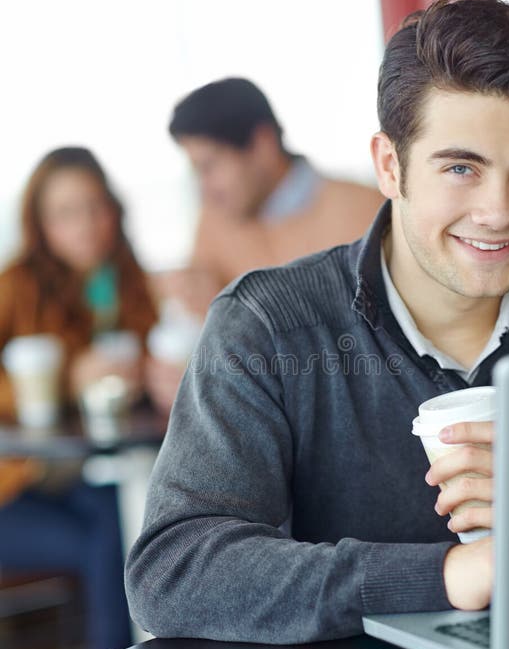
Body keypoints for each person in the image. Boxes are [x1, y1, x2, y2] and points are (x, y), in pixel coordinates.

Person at [125, 0, 509, 644]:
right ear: (389, 165)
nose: (498, 212)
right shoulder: (266, 327)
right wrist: (450, 575)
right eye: (461, 168)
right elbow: (174, 575)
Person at [0, 146, 157, 649]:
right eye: (66, 213)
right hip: (14, 490)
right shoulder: (15, 287)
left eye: (96, 206)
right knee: (110, 541)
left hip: (77, 478)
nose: (87, 224)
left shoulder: (130, 283)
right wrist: (66, 379)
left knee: (131, 516)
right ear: (41, 225)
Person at [146, 77, 382, 412]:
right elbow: (200, 327)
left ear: (262, 143)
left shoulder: (363, 212)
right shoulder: (215, 221)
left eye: (210, 166)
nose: (205, 188)